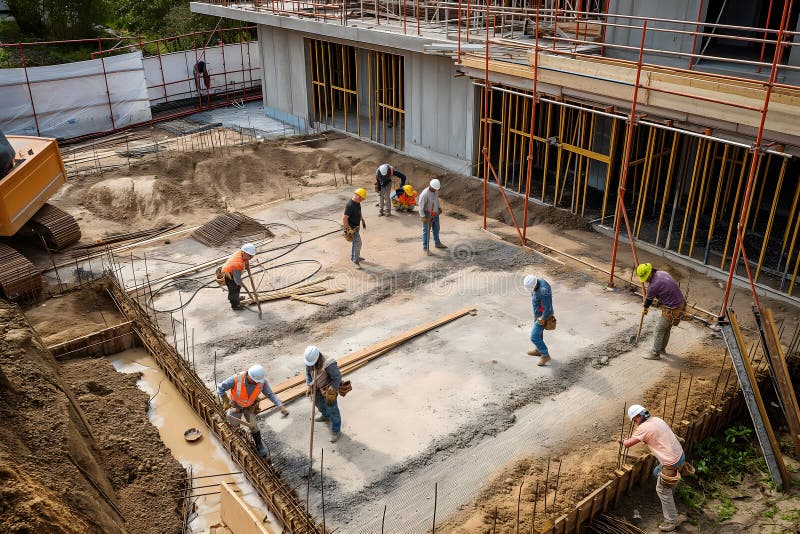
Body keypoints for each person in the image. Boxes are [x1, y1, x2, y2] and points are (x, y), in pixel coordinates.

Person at [621, 404, 691, 532]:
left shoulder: (643, 428)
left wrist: (622, 440)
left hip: (671, 462)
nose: (635, 423)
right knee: (656, 472)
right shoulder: (657, 420)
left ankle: (672, 521)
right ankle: (671, 487)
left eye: (634, 420)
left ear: (638, 416)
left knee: (662, 490)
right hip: (680, 455)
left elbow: (627, 444)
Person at [217, 364, 288, 457]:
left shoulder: (261, 382)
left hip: (250, 406)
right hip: (236, 406)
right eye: (255, 381)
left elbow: (270, 394)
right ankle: (237, 437)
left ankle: (259, 445)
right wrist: (226, 401)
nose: (256, 383)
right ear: (249, 376)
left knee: (253, 425)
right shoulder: (237, 379)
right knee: (232, 421)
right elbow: (220, 387)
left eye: (258, 382)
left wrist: (280, 405)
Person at [636, 263, 686, 360]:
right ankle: (662, 349)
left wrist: (645, 308)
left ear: (650, 273)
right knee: (666, 328)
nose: (645, 280)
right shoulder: (662, 273)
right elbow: (666, 290)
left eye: (645, 277)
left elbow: (648, 301)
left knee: (659, 329)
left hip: (673, 308)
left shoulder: (653, 286)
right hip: (680, 304)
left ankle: (655, 353)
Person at [304, 346, 343, 443]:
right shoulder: (309, 361)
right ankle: (326, 416)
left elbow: (337, 377)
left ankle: (336, 430)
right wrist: (309, 385)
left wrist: (332, 389)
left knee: (333, 409)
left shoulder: (329, 363)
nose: (310, 365)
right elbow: (308, 374)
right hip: (316, 387)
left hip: (328, 388)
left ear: (318, 357)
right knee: (318, 403)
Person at [524, 274, 554, 366]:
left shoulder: (543, 291)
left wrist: (543, 319)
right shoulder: (535, 285)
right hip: (537, 315)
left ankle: (545, 355)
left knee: (534, 337)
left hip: (543, 316)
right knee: (539, 334)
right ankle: (538, 350)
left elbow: (548, 308)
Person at [221, 243, 256, 311]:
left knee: (238, 287)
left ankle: (236, 298)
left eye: (252, 256)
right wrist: (248, 292)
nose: (251, 258)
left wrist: (249, 273)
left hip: (234, 272)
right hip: (229, 275)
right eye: (250, 256)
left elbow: (246, 262)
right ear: (244, 252)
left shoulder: (242, 254)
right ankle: (235, 305)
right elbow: (238, 281)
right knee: (234, 289)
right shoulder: (237, 263)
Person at [418, 178, 447, 255]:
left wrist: (438, 208)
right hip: (427, 214)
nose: (436, 190)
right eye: (435, 189)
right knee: (426, 231)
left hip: (435, 213)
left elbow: (436, 200)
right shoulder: (424, 194)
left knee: (436, 228)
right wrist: (423, 216)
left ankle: (437, 243)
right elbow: (420, 206)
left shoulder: (435, 191)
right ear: (431, 186)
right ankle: (425, 247)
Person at [343, 188, 367, 269]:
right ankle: (355, 260)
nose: (361, 200)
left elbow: (359, 211)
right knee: (358, 243)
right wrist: (347, 229)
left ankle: (354, 257)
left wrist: (362, 219)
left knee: (355, 243)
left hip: (357, 226)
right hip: (352, 229)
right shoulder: (350, 205)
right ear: (356, 195)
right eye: (360, 198)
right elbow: (344, 218)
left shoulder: (357, 203)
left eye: (362, 199)